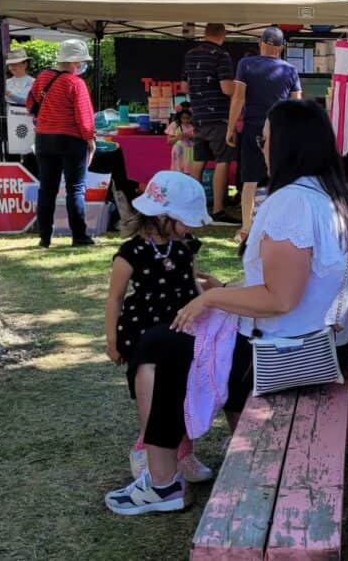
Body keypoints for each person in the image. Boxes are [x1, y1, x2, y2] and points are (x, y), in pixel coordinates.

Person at [104, 99, 348, 516]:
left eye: (265, 141)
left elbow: (280, 298)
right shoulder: (330, 193)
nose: (261, 149)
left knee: (155, 347)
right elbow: (300, 283)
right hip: (325, 344)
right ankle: (171, 464)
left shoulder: (291, 202)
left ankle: (162, 480)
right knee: (169, 342)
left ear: (287, 145)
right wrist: (227, 289)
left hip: (288, 356)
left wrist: (210, 297)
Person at [104, 170, 217, 485]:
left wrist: (212, 297)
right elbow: (114, 299)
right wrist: (112, 340)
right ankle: (147, 444)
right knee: (152, 391)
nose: (191, 228)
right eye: (187, 220)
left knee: (186, 389)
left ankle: (184, 451)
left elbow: (192, 284)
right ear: (165, 216)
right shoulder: (130, 253)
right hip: (145, 333)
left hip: (182, 328)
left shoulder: (185, 247)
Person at [227, 26, 302, 241]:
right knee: (280, 178)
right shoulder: (290, 70)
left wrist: (231, 128)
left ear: (261, 43)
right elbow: (296, 104)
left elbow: (239, 97)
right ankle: (281, 225)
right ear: (281, 48)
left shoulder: (246, 64)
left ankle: (246, 229)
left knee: (249, 180)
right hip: (280, 129)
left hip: (252, 127)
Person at [26, 38, 97, 248]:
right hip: (71, 140)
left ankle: (45, 237)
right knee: (75, 188)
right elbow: (84, 118)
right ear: (76, 62)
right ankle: (79, 236)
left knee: (47, 188)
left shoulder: (42, 77)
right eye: (81, 62)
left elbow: (31, 104)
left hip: (44, 139)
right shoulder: (76, 83)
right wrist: (90, 140)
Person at [182, 23, 238, 225]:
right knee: (223, 159)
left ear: (205, 33)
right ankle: (218, 209)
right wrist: (239, 89)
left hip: (198, 115)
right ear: (223, 35)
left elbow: (183, 86)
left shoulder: (191, 54)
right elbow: (226, 88)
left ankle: (193, 206)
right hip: (218, 116)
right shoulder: (221, 55)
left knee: (200, 160)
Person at [165, 108, 195, 174]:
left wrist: (190, 137)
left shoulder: (193, 125)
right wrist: (178, 137)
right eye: (183, 118)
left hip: (191, 152)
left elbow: (198, 140)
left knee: (190, 172)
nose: (186, 120)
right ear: (179, 117)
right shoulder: (174, 125)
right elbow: (169, 141)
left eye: (188, 118)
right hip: (179, 152)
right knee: (178, 171)